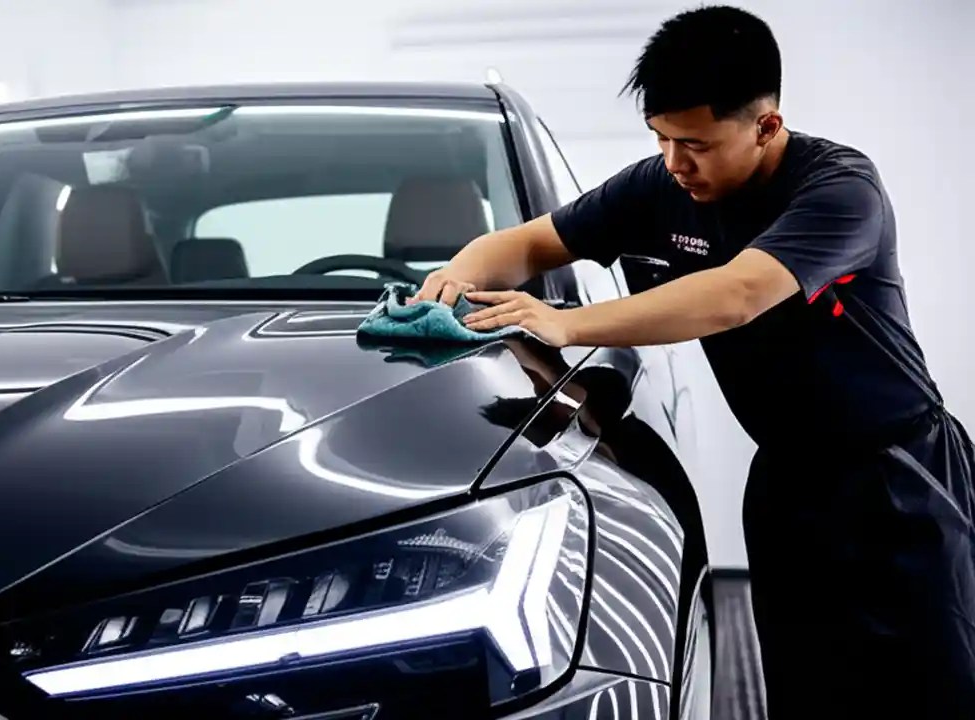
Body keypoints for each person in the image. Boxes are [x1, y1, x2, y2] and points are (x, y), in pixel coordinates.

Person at [412, 5, 975, 717]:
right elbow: (526, 244)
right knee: (806, 686)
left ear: (767, 125)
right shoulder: (660, 186)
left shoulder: (838, 188)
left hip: (897, 474)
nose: (676, 163)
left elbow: (736, 294)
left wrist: (563, 323)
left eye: (696, 144)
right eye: (662, 139)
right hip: (784, 479)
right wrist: (454, 278)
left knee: (936, 688)